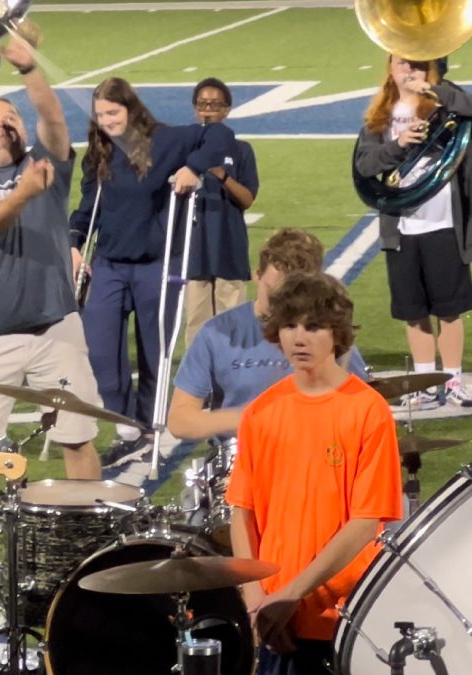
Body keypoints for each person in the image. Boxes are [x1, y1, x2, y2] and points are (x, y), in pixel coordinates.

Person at [0, 36, 101, 503]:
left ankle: (86, 530)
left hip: (57, 326)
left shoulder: (46, 166)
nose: (3, 122)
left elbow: (54, 120)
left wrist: (30, 69)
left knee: (78, 436)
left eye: (10, 115)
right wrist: (24, 193)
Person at [227, 272, 402, 674]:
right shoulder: (260, 412)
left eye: (314, 326)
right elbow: (242, 512)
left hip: (341, 617)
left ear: (337, 333)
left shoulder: (368, 410)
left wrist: (293, 595)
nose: (299, 338)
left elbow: (364, 524)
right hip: (272, 617)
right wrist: (255, 601)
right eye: (289, 325)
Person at [68, 77, 233, 464]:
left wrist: (193, 167)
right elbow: (89, 203)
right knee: (99, 348)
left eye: (113, 112)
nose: (107, 121)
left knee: (154, 350)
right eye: (100, 115)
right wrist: (74, 241)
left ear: (131, 108)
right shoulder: (100, 151)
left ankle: (147, 425)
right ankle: (127, 427)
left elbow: (220, 136)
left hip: (156, 263)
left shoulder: (165, 140)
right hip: (109, 264)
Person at [168, 228, 369, 442]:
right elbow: (180, 421)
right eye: (274, 292)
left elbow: (363, 404)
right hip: (241, 452)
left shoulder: (325, 333)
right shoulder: (218, 332)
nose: (281, 304)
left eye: (293, 295)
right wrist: (254, 418)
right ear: (257, 275)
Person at [354, 54, 472, 410]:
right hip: (401, 229)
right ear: (390, 68)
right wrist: (400, 144)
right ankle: (423, 384)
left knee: (448, 310)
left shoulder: (446, 104)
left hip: (444, 224)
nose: (409, 70)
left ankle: (452, 381)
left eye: (418, 64)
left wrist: (433, 90)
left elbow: (468, 107)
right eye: (402, 63)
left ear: (431, 69)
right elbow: (366, 165)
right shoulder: (380, 114)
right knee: (413, 310)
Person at [185, 77, 259, 346]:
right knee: (196, 325)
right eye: (202, 104)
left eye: (215, 105)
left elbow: (247, 199)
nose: (208, 110)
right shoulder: (185, 149)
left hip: (229, 245)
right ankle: (199, 373)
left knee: (234, 324)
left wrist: (222, 175)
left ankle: (234, 371)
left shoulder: (241, 150)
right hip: (194, 249)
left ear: (227, 110)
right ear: (194, 108)